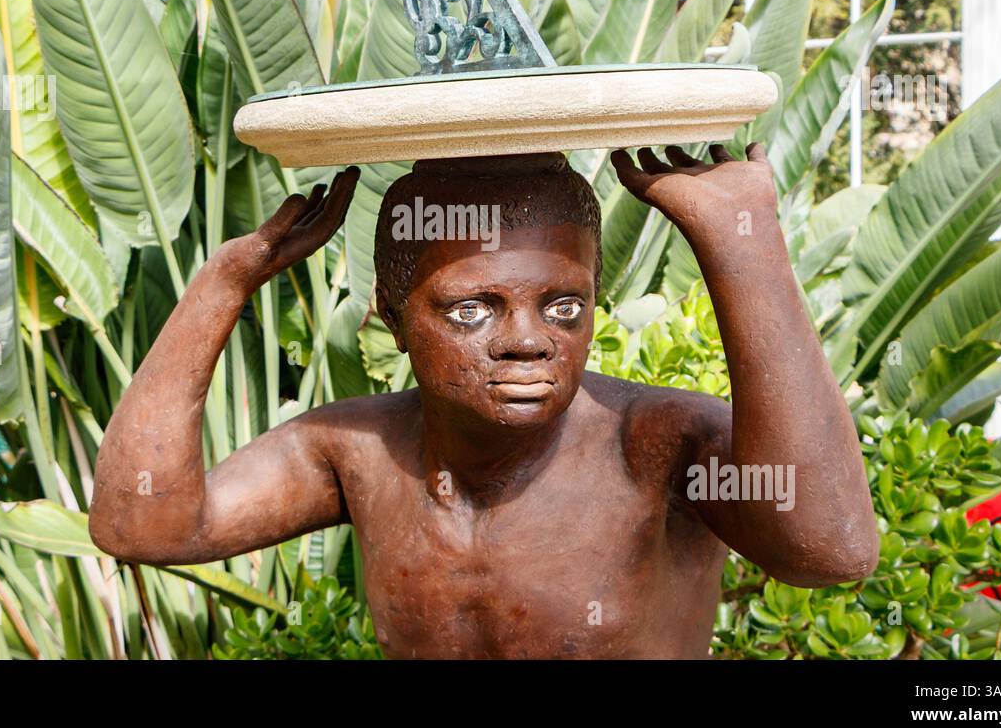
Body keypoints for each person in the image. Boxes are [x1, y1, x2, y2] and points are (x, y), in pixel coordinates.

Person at [89, 144, 877, 658]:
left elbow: (831, 548)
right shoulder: (356, 452)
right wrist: (222, 286)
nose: (527, 339)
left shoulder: (655, 446)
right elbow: (142, 524)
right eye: (473, 309)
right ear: (391, 318)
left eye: (564, 306)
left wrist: (744, 244)